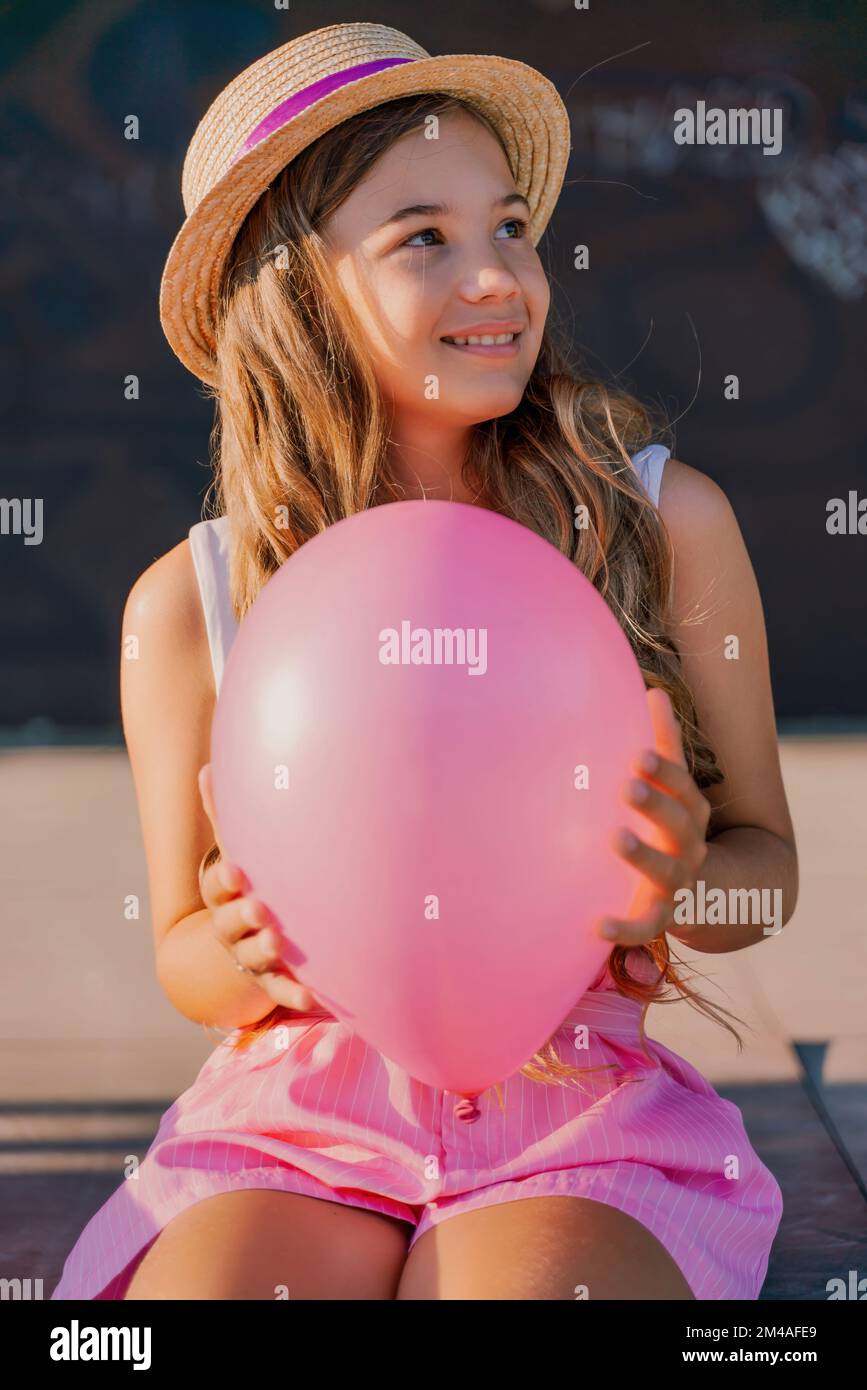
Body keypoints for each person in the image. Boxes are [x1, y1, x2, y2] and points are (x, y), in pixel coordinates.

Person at [51, 21, 796, 1301]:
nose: (500, 275)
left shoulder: (668, 524)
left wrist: (676, 886)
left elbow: (764, 875)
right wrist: (245, 949)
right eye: (425, 239)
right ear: (295, 292)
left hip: (578, 1122)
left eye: (511, 227)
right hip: (291, 1126)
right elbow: (181, 948)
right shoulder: (194, 603)